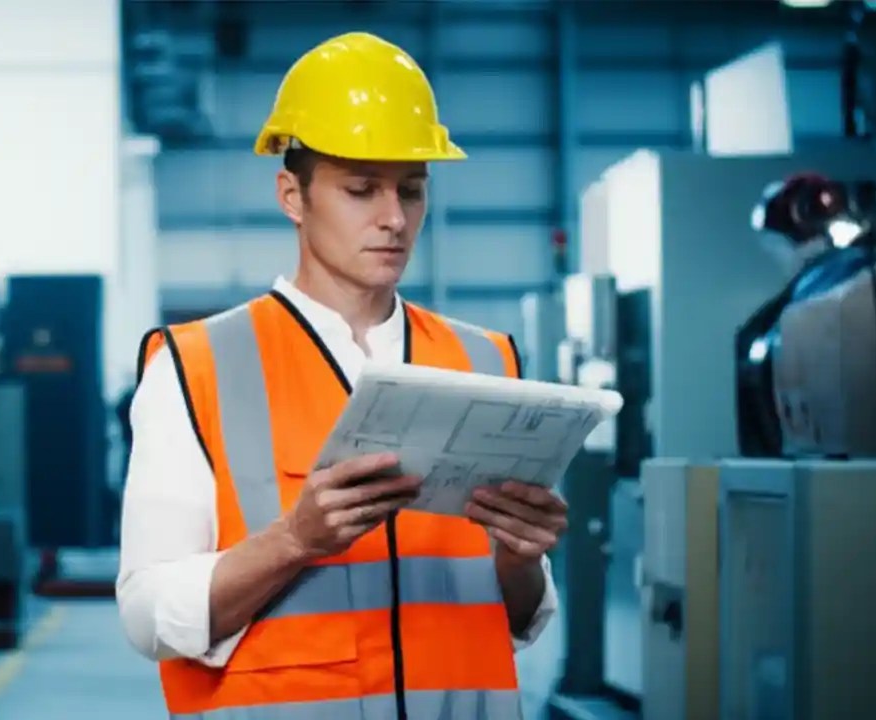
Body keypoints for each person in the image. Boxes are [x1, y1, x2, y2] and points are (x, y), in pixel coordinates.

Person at [117, 31, 569, 720]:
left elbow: (519, 619)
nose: (394, 219)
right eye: (361, 190)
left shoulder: (487, 364)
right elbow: (148, 616)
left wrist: (519, 560)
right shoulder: (195, 367)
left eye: (411, 191)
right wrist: (292, 542)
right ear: (292, 196)